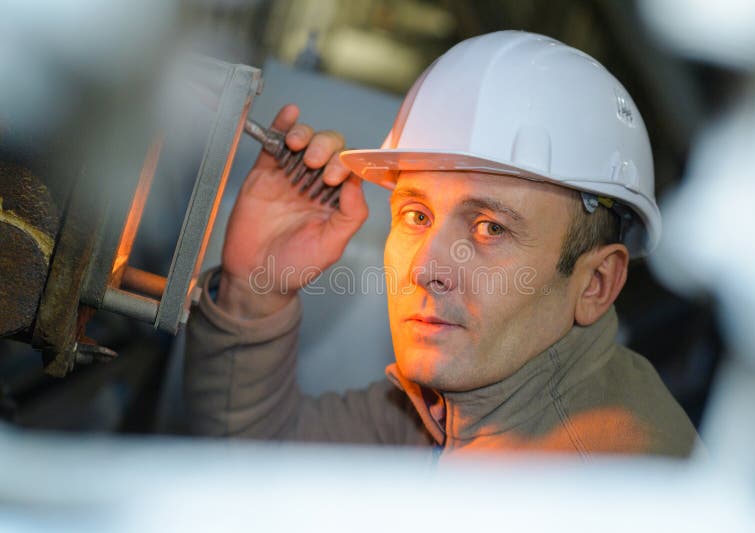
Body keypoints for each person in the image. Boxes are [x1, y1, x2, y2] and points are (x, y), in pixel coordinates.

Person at [184, 31, 699, 458]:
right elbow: (250, 467)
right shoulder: (454, 407)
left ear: (595, 283)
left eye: (491, 228)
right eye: (417, 214)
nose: (427, 268)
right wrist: (256, 289)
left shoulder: (592, 492)